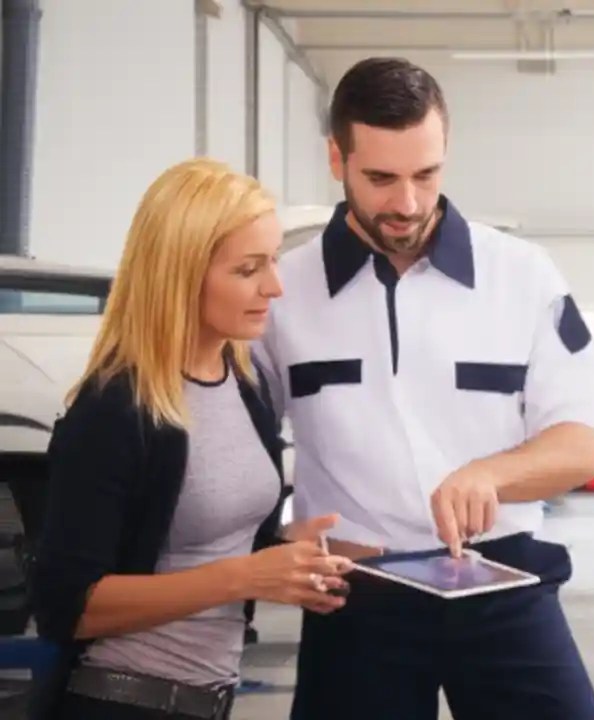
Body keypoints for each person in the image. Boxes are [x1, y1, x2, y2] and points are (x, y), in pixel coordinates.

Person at [251, 57, 594, 719]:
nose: (408, 203)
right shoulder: (283, 291)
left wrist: (492, 474)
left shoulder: (522, 276)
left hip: (502, 582)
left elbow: (582, 440)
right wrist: (271, 546)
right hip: (354, 596)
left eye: (427, 173)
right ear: (337, 158)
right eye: (381, 178)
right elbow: (233, 450)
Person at [27, 158, 354, 720]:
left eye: (272, 262)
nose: (274, 287)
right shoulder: (116, 407)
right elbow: (66, 606)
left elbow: (202, 548)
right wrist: (246, 577)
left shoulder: (244, 384)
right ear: (180, 274)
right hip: (123, 699)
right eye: (248, 269)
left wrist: (287, 555)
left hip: (207, 699)